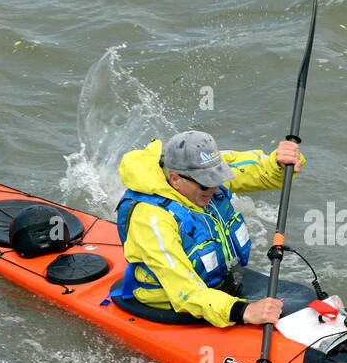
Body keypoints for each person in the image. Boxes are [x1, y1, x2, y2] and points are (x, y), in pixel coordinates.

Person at [109, 130, 304, 326]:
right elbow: (183, 291)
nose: (216, 189)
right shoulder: (151, 219)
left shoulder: (201, 173)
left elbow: (257, 170)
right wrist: (242, 311)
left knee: (307, 298)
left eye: (218, 179)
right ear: (176, 179)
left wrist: (280, 162)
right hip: (173, 303)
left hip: (218, 284)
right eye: (206, 185)